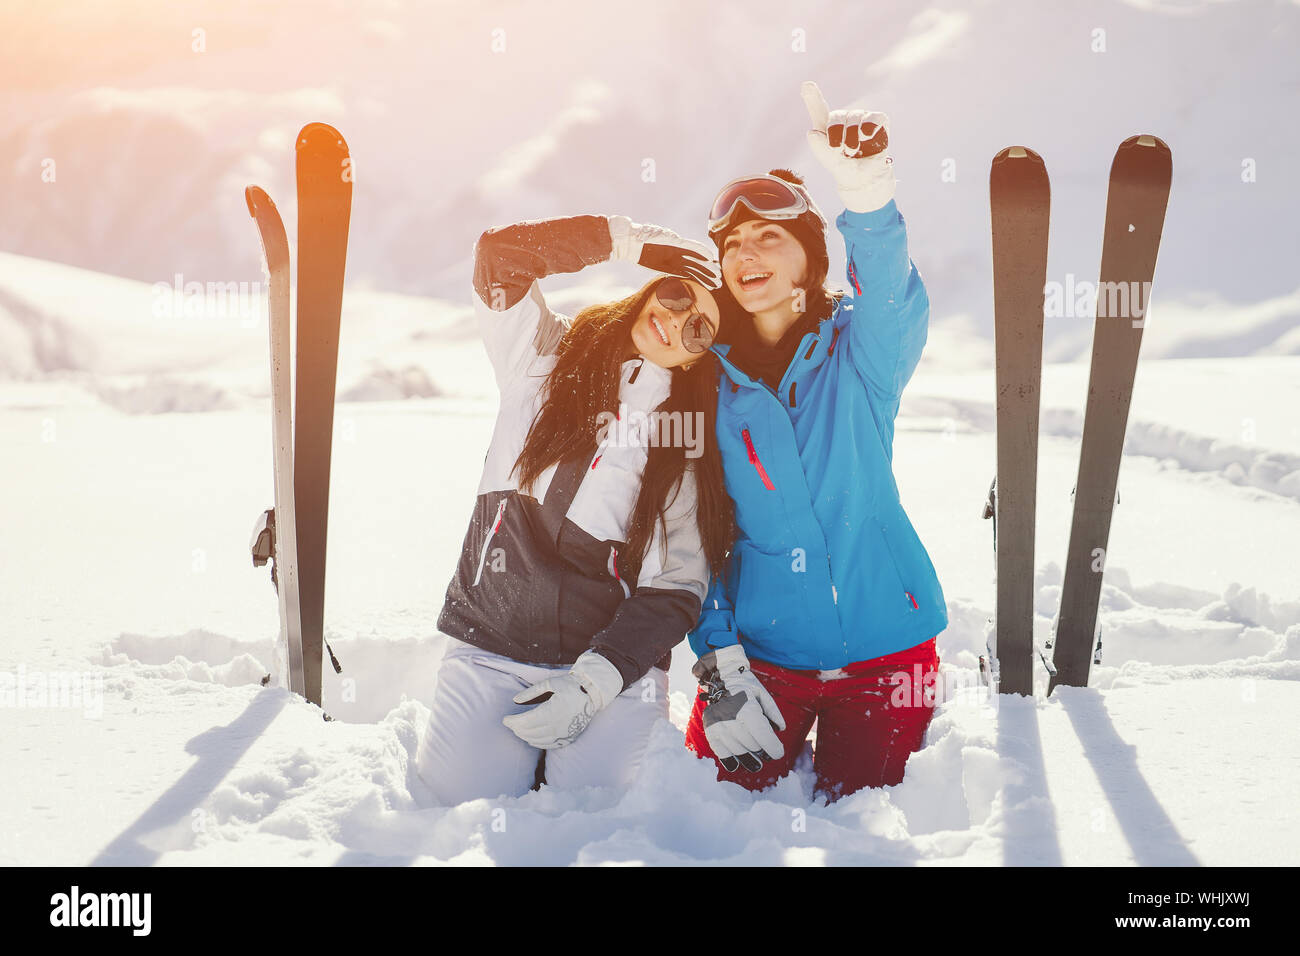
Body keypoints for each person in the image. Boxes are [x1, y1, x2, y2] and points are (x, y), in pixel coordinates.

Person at [684, 81, 948, 802]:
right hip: (765, 658)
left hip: (889, 649)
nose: (746, 252)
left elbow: (890, 295)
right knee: (711, 809)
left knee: (868, 817)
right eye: (732, 244)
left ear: (808, 258)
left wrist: (867, 195)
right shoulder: (704, 386)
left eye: (769, 236)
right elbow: (692, 534)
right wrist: (719, 663)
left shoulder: (860, 356)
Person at [415, 213, 736, 805]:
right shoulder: (542, 352)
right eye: (675, 296)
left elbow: (676, 586)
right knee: (459, 804)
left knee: (597, 811)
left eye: (698, 329)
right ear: (653, 287)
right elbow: (500, 258)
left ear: (699, 358)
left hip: (610, 668)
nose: (675, 321)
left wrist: (594, 683)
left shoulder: (682, 446)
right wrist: (625, 241)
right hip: (491, 645)